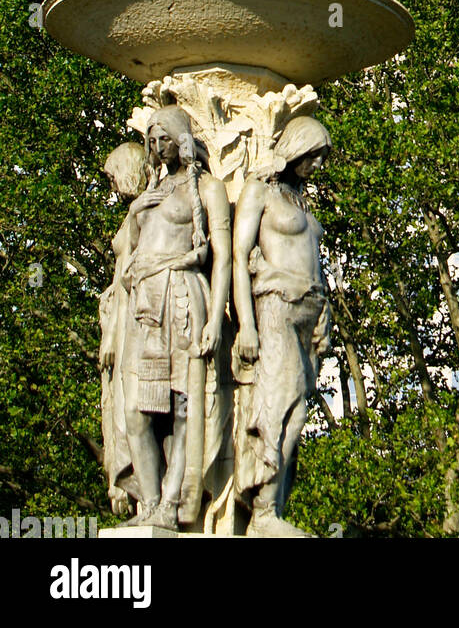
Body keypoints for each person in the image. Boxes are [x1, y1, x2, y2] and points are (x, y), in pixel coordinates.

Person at [119, 106, 231, 530]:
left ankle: (171, 502)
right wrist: (134, 212)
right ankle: (147, 502)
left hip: (184, 297)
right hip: (145, 302)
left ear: (182, 138)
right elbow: (127, 250)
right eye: (151, 140)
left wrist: (216, 322)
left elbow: (220, 258)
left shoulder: (207, 188)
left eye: (164, 138)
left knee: (184, 407)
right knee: (136, 410)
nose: (156, 147)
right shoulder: (152, 190)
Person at [232, 116, 331, 538]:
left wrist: (326, 316)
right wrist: (246, 326)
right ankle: (262, 512)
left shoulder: (303, 202)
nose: (318, 165)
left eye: (323, 157)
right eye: (313, 155)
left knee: (298, 410)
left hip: (311, 314)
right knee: (279, 402)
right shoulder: (261, 192)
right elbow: (239, 257)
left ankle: (273, 506)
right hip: (274, 307)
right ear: (295, 149)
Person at [98, 141, 147, 518]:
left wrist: (113, 336)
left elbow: (129, 274)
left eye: (115, 175)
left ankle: (138, 484)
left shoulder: (142, 211)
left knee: (129, 404)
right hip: (123, 316)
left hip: (131, 321)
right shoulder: (138, 211)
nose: (113, 184)